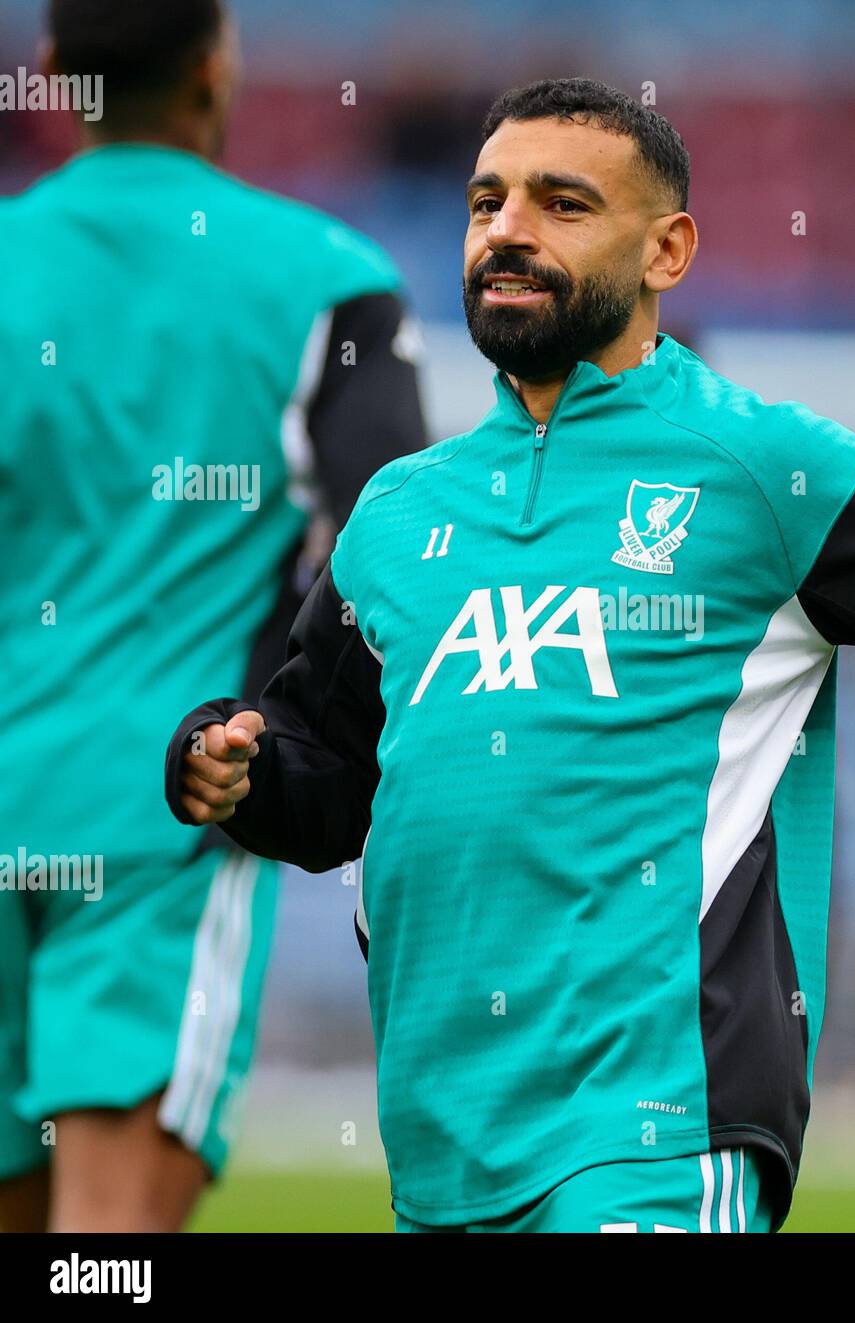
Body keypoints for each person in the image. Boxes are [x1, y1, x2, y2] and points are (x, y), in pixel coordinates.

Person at [165, 77, 855, 1233]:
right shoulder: (399, 513)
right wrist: (229, 764)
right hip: (441, 1143)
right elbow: (325, 774)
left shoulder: (764, 467)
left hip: (659, 1130)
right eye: (485, 200)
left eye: (560, 203)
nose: (507, 228)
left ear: (668, 250)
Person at [0, 0, 427, 1231]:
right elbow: (395, 550)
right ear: (214, 68)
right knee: (108, 1247)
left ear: (50, 78)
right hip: (156, 824)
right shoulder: (327, 281)